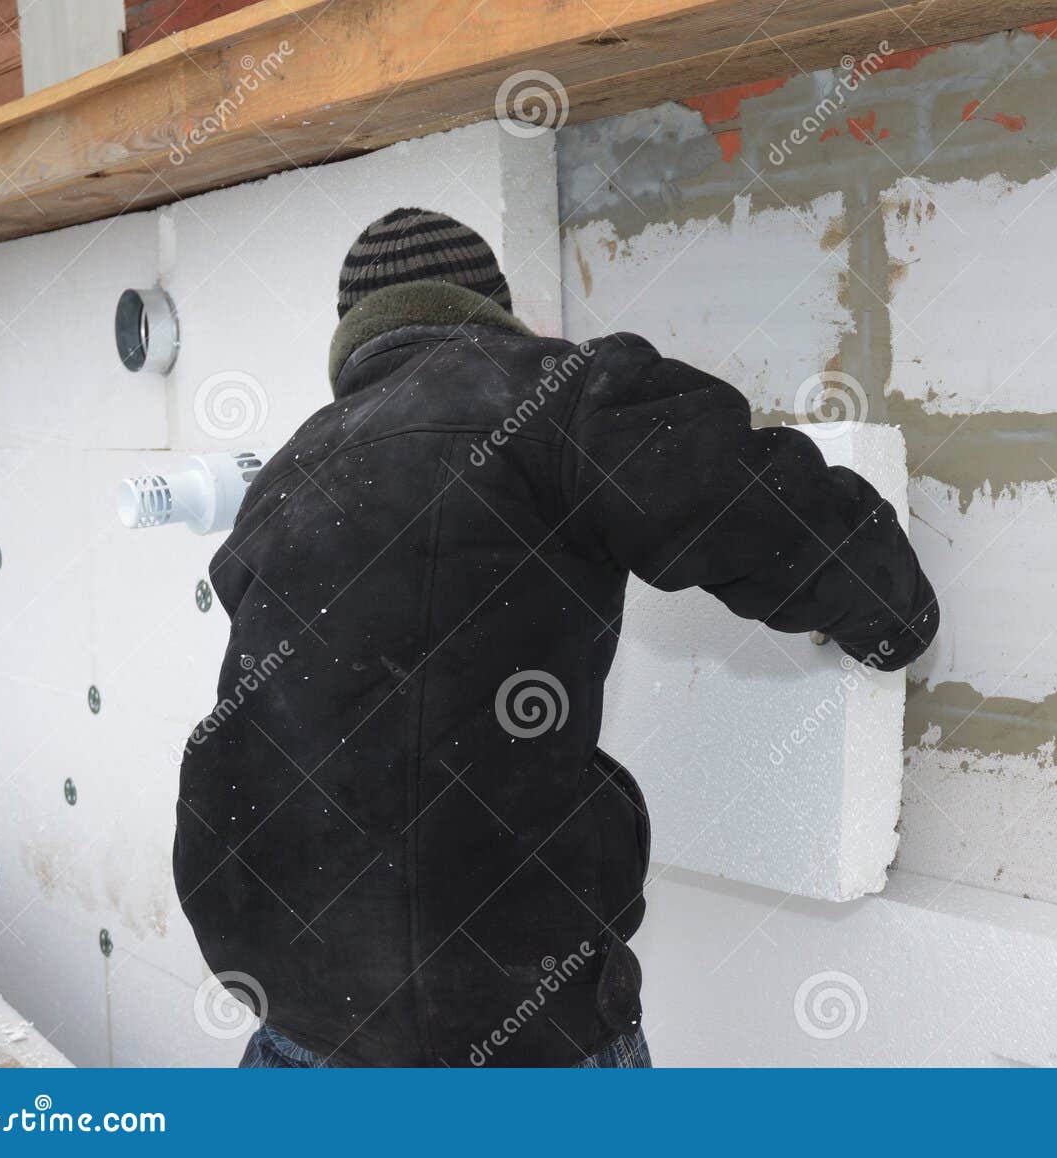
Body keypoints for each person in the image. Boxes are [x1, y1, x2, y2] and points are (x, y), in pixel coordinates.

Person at [173, 208, 939, 1067]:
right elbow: (740, 498)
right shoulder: (552, 394)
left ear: (351, 342)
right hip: (516, 1025)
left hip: (300, 1020)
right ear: (495, 309)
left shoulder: (286, 472)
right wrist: (891, 614)